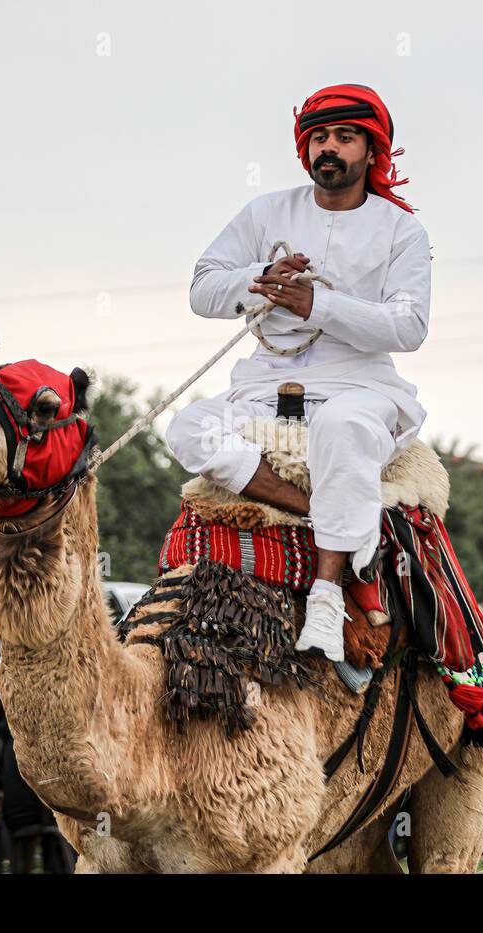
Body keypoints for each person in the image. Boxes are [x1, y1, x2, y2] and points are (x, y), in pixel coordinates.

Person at [164, 83, 431, 663]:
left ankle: (329, 594)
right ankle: (322, 515)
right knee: (187, 428)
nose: (328, 148)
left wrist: (320, 306)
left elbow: (409, 327)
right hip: (265, 384)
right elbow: (203, 288)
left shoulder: (401, 231)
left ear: (371, 149)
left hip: (360, 387)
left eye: (344, 136)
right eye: (318, 138)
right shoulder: (266, 213)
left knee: (342, 426)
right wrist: (258, 278)